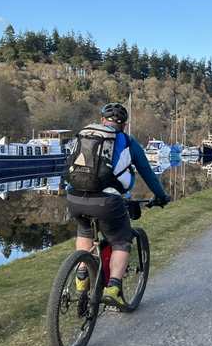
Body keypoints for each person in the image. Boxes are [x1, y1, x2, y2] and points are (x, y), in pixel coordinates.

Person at [66, 102, 170, 306]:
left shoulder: (85, 135)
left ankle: (81, 275)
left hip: (75, 197)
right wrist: (161, 196)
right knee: (121, 240)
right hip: (107, 202)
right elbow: (147, 173)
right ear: (124, 125)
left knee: (85, 232)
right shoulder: (127, 142)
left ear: (102, 120)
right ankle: (113, 288)